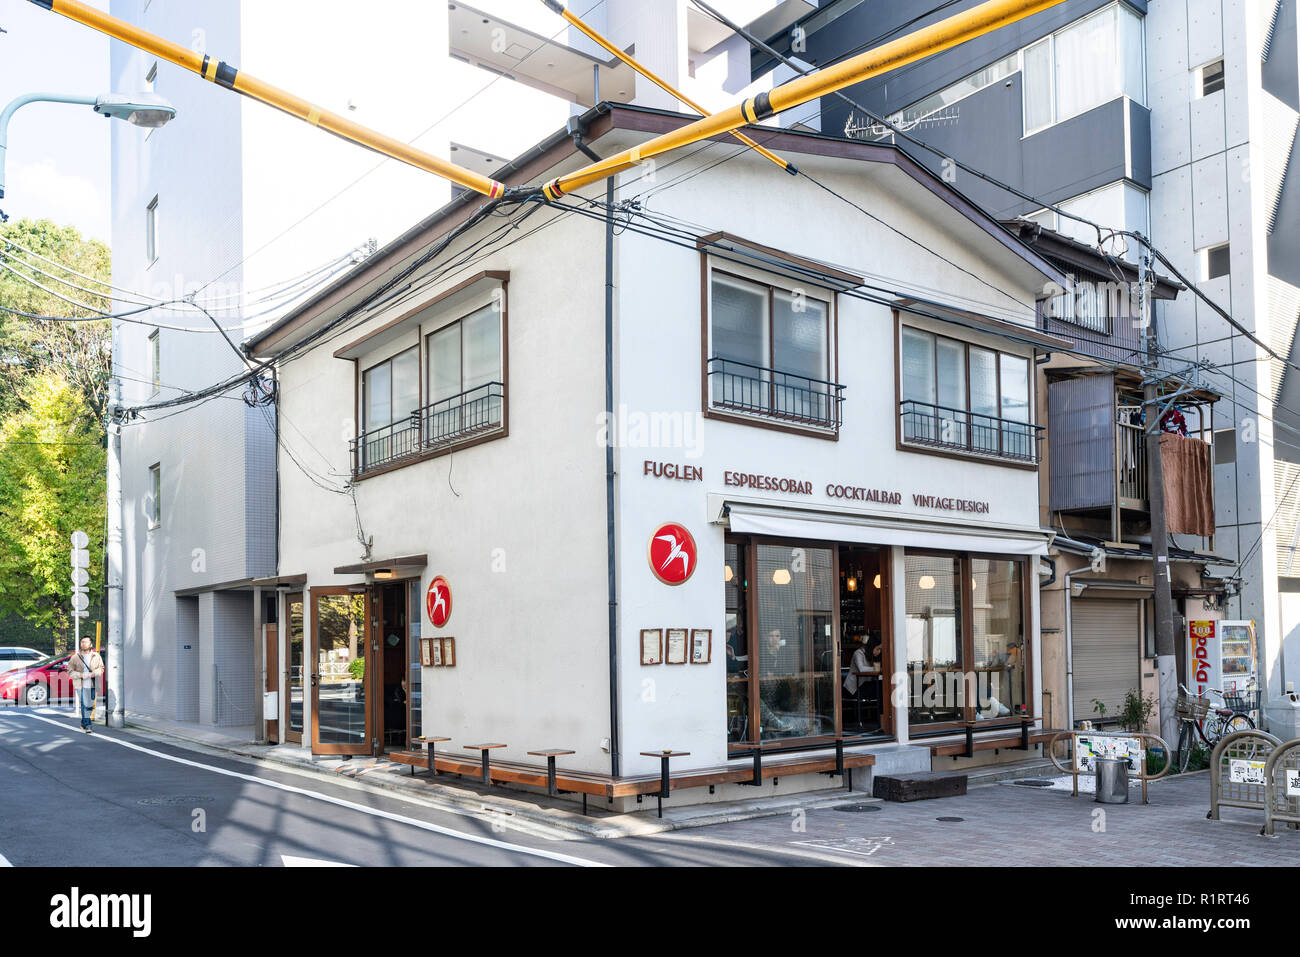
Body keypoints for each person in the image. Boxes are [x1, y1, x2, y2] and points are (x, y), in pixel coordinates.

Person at [68, 638, 105, 734]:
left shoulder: (96, 656)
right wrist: (81, 675)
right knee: (85, 703)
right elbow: (70, 671)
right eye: (82, 642)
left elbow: (101, 668)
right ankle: (88, 725)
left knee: (89, 705)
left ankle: (83, 723)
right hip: (80, 684)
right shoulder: (75, 657)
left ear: (91, 644)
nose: (83, 644)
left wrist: (93, 673)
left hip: (92, 683)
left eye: (86, 642)